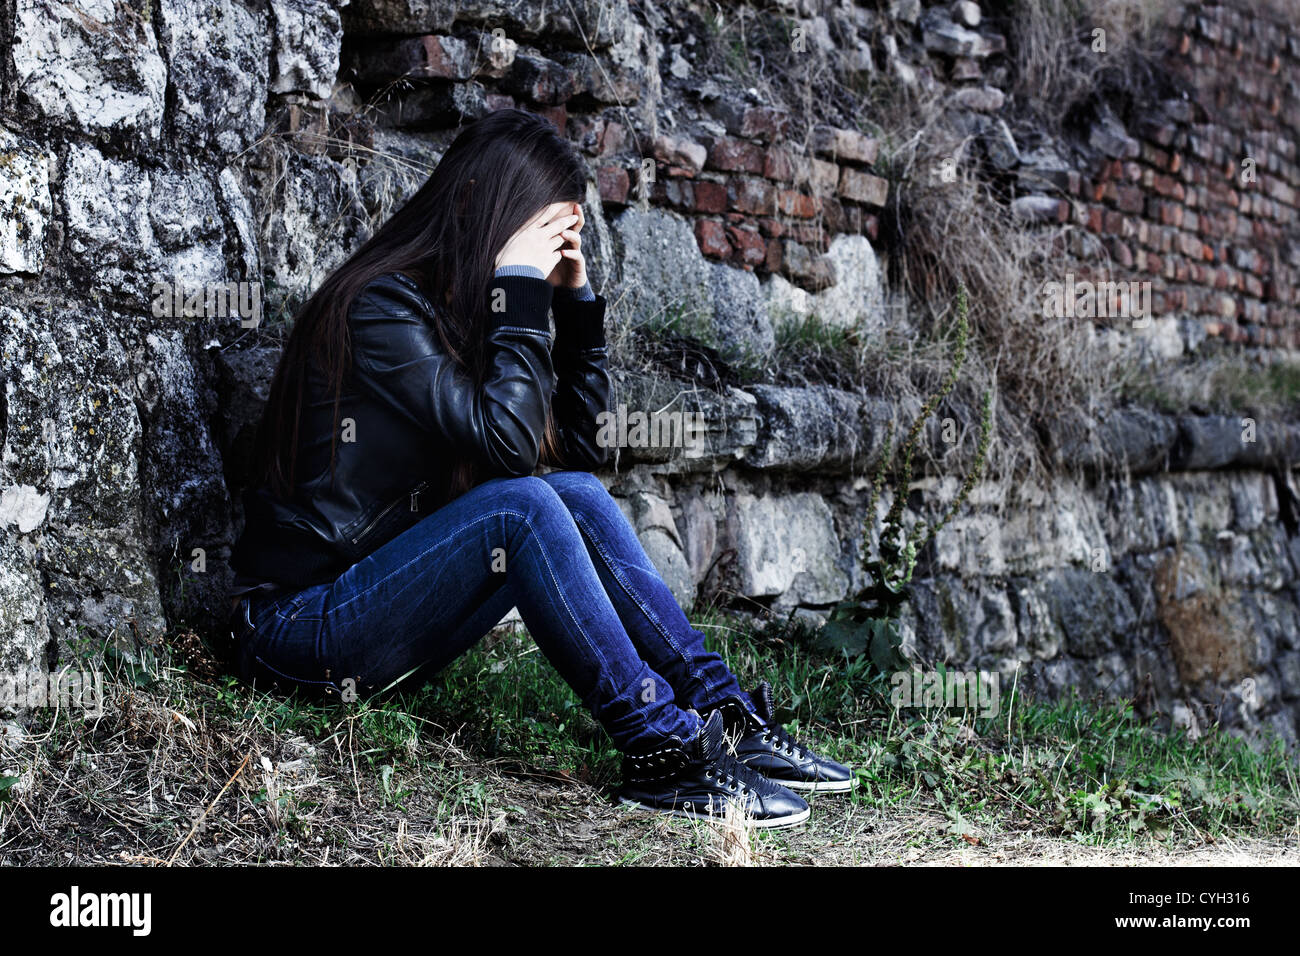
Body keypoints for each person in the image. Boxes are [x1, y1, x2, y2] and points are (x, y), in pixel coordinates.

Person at [226, 108, 852, 829]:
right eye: (536, 234)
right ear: (479, 206)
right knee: (521, 507)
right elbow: (510, 454)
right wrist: (519, 291)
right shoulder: (380, 309)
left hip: (378, 611)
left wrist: (575, 309)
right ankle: (659, 747)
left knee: (573, 494)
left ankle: (725, 714)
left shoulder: (459, 316)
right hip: (297, 628)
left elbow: (577, 462)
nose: (544, 256)